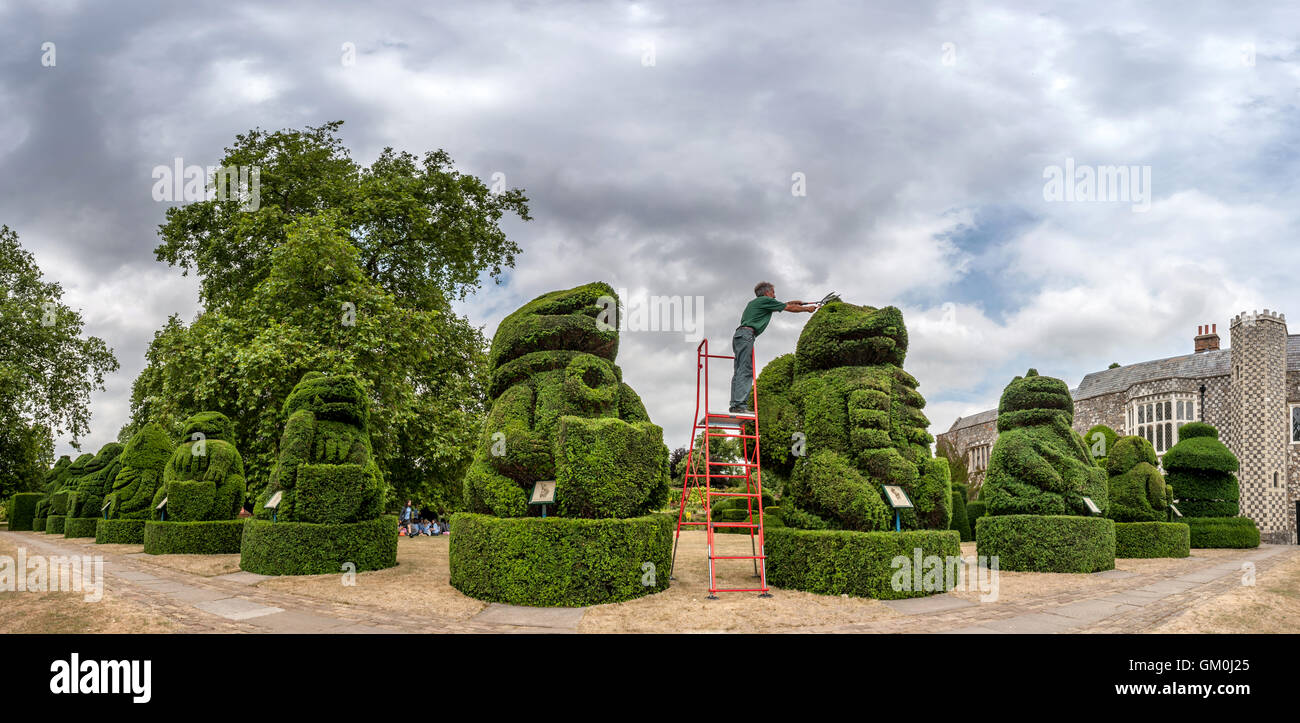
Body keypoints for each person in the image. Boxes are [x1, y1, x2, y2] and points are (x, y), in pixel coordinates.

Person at [730, 281, 818, 414]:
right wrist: (807, 309)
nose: (775, 295)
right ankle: (739, 406)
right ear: (767, 293)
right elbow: (788, 308)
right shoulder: (765, 300)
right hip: (746, 335)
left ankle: (735, 404)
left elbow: (783, 305)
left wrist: (795, 302)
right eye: (773, 292)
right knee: (746, 370)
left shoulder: (757, 302)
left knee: (739, 370)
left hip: (740, 336)